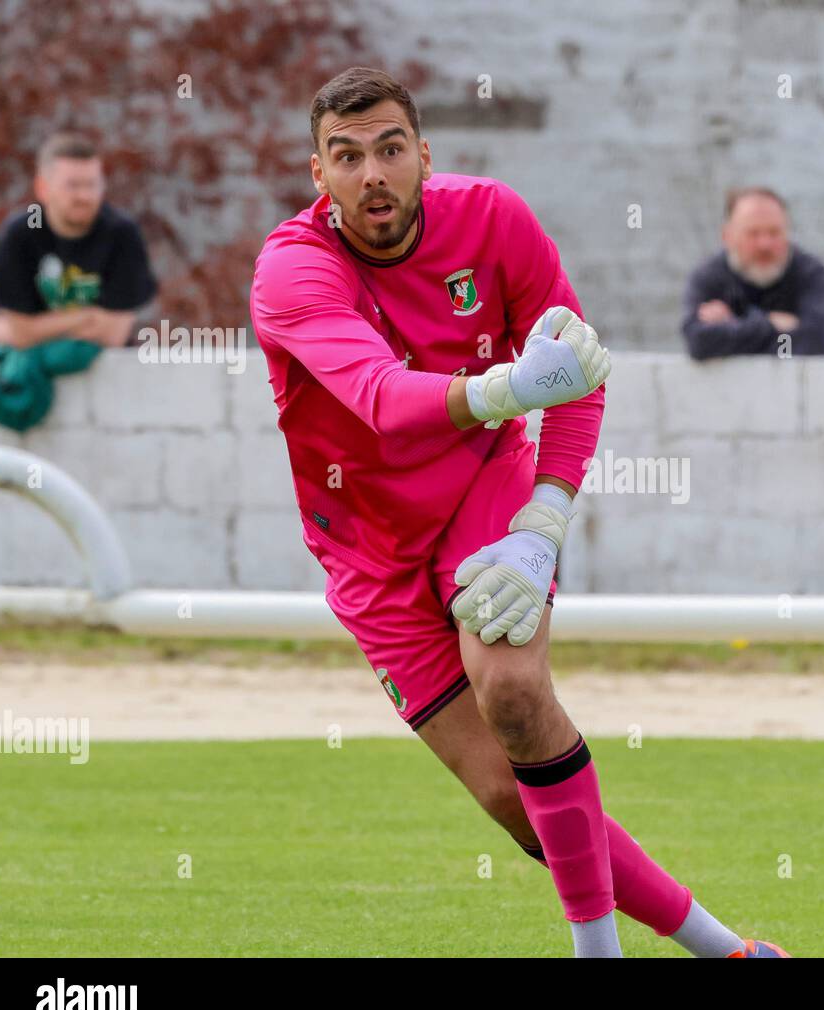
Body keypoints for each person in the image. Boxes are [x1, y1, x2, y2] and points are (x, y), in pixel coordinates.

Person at [249, 67, 787, 959]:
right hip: (367, 548)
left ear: (424, 156)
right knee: (510, 799)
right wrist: (504, 385)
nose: (371, 174)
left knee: (513, 689)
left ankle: (597, 954)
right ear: (319, 175)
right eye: (347, 157)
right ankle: (731, 951)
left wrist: (544, 519)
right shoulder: (292, 270)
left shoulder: (495, 218)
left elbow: (576, 376)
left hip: (482, 490)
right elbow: (380, 397)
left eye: (389, 149)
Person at [0, 132, 158, 431]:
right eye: (73, 185)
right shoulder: (20, 235)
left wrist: (20, 330)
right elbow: (22, 335)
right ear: (43, 187)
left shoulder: (121, 234)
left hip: (112, 400)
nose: (84, 196)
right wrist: (87, 318)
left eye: (92, 184)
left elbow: (114, 333)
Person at [682, 186, 824, 359]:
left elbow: (816, 343)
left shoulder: (811, 274)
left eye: (774, 232)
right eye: (753, 234)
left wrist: (732, 328)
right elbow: (699, 343)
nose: (765, 244)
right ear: (727, 236)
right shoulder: (708, 276)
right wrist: (770, 324)